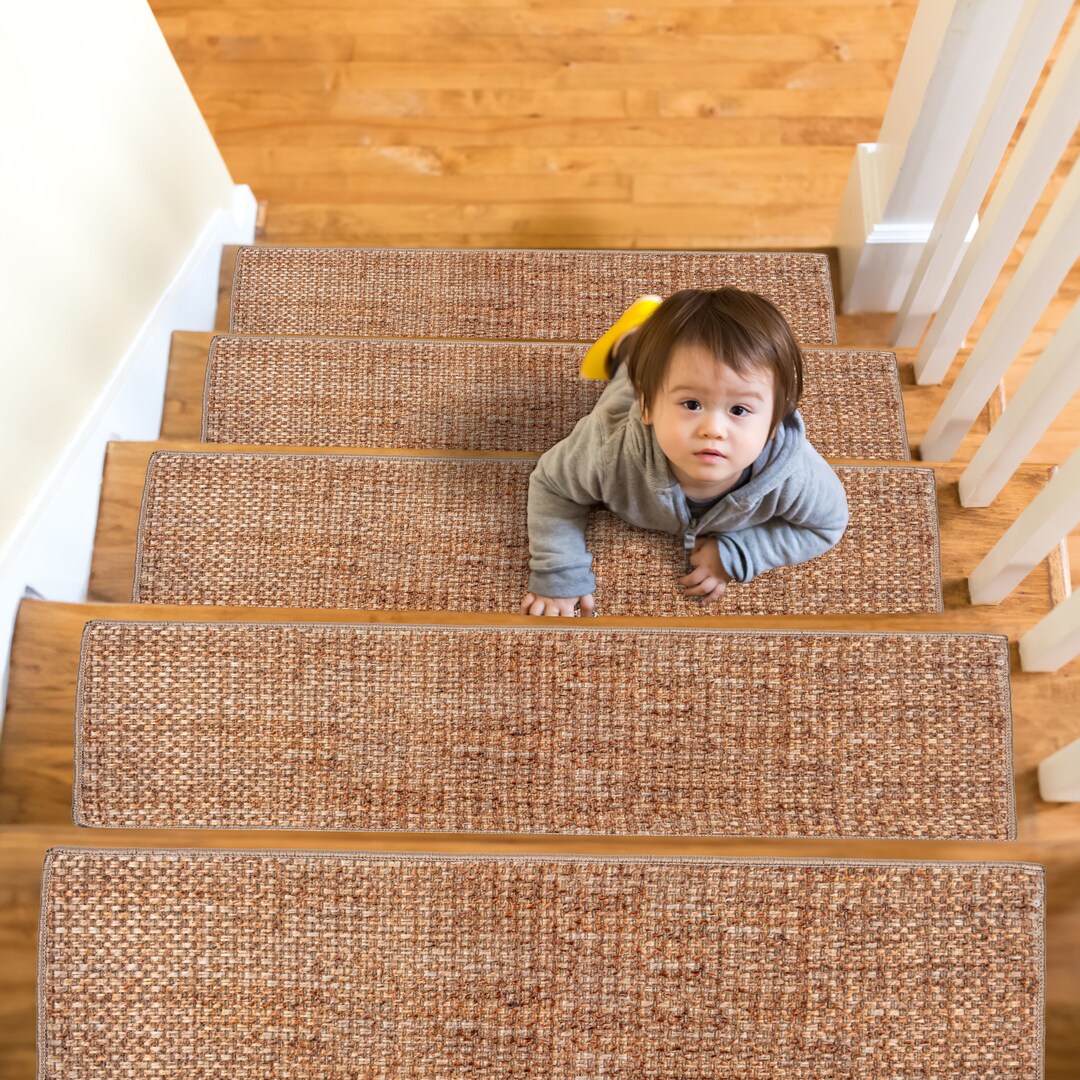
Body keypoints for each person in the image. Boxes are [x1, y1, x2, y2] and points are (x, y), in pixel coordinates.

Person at [520, 287, 849, 616]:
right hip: (630, 393)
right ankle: (632, 337)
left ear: (775, 422)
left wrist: (741, 552)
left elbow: (827, 525)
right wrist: (558, 571)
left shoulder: (792, 474)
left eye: (739, 410)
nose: (713, 429)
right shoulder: (608, 448)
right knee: (632, 366)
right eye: (692, 404)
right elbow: (553, 485)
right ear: (648, 407)